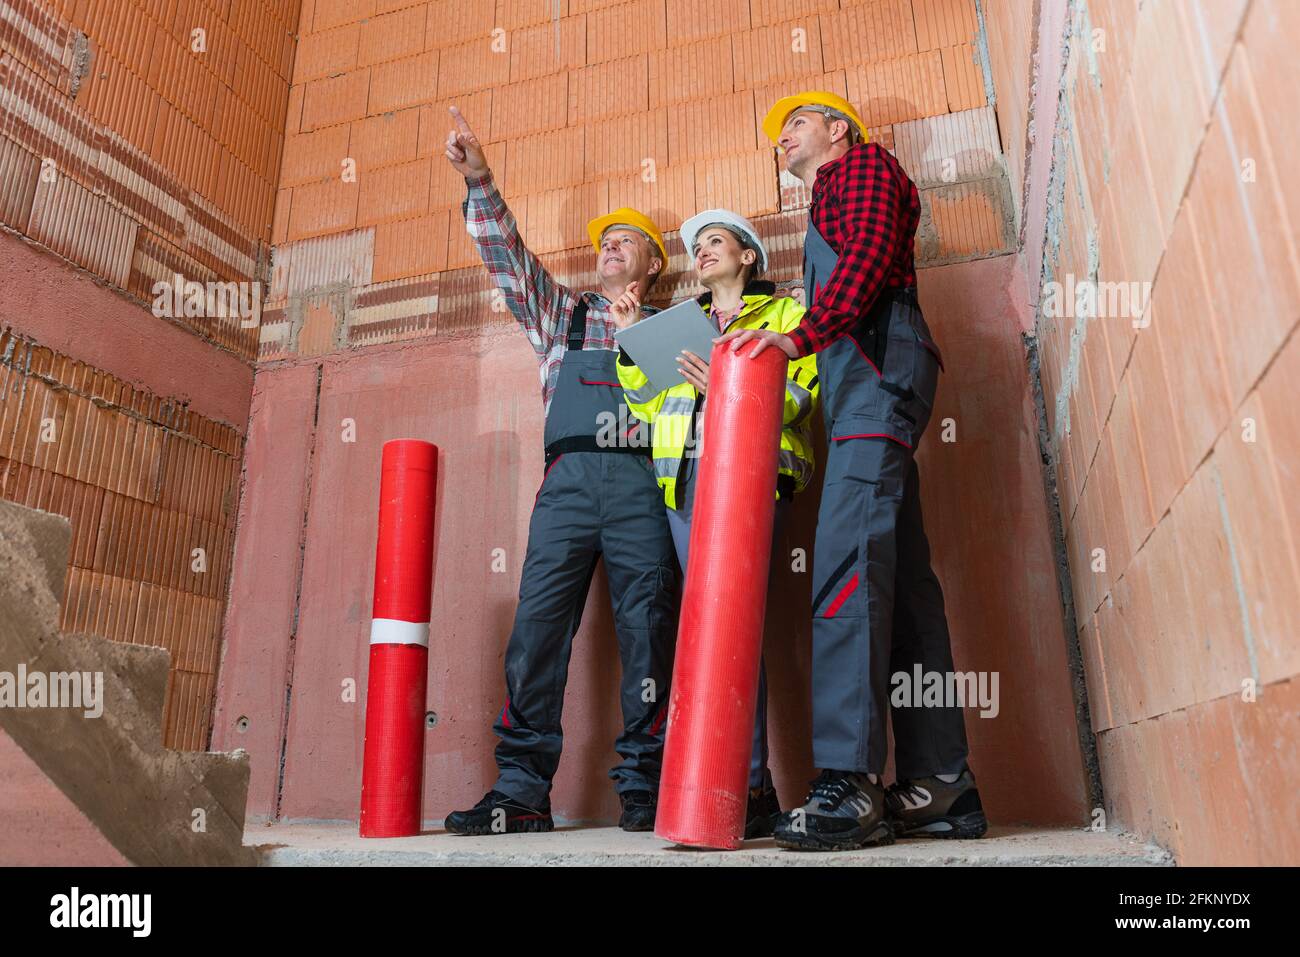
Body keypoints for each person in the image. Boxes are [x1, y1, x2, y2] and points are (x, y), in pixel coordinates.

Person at [720, 92, 987, 850]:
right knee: (901, 582)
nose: (784, 138)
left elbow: (868, 258)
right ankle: (942, 784)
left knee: (844, 560)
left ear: (837, 131)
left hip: (877, 373)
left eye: (796, 124)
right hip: (867, 387)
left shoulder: (861, 168)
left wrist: (799, 335)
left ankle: (850, 780)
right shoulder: (826, 204)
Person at [441, 106, 677, 835]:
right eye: (604, 240)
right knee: (538, 627)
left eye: (626, 240)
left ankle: (649, 782)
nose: (610, 247)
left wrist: (644, 337)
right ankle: (520, 788)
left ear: (653, 262)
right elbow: (507, 260)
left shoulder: (678, 324)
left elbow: (694, 406)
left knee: (650, 627)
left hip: (643, 481)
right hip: (569, 484)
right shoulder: (563, 317)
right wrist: (481, 182)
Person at [611, 209, 819, 840]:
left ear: (748, 256)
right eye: (695, 246)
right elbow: (646, 402)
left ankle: (749, 783)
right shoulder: (682, 324)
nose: (701, 252)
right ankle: (728, 785)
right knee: (705, 630)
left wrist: (729, 381)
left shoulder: (785, 316)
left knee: (735, 626)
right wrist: (629, 337)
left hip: (749, 475)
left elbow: (802, 392)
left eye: (715, 242)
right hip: (684, 483)